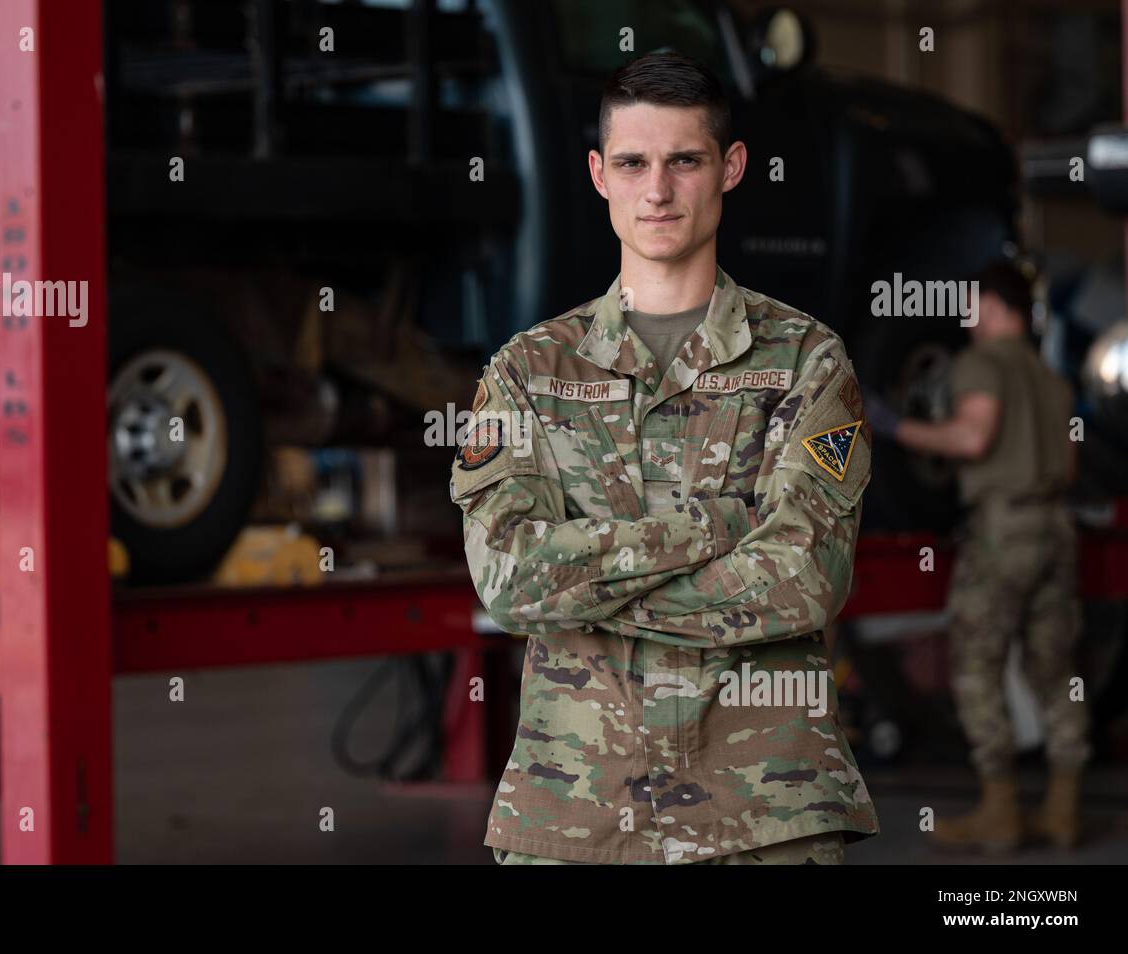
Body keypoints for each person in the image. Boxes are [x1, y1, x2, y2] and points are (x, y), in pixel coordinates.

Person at [448, 52, 878, 865]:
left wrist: (584, 590)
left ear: (732, 167)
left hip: (765, 814)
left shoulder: (804, 360)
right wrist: (718, 527)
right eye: (633, 163)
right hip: (576, 816)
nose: (658, 190)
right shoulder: (530, 371)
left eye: (685, 160)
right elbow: (508, 580)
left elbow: (806, 579)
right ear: (597, 174)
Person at [865, 260, 1090, 852]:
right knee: (1054, 670)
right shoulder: (1051, 377)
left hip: (1003, 530)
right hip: (1056, 529)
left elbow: (971, 438)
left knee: (976, 667)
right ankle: (1064, 810)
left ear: (992, 305)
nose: (965, 320)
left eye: (971, 307)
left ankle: (1000, 811)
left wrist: (895, 428)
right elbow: (1068, 467)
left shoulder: (982, 364)